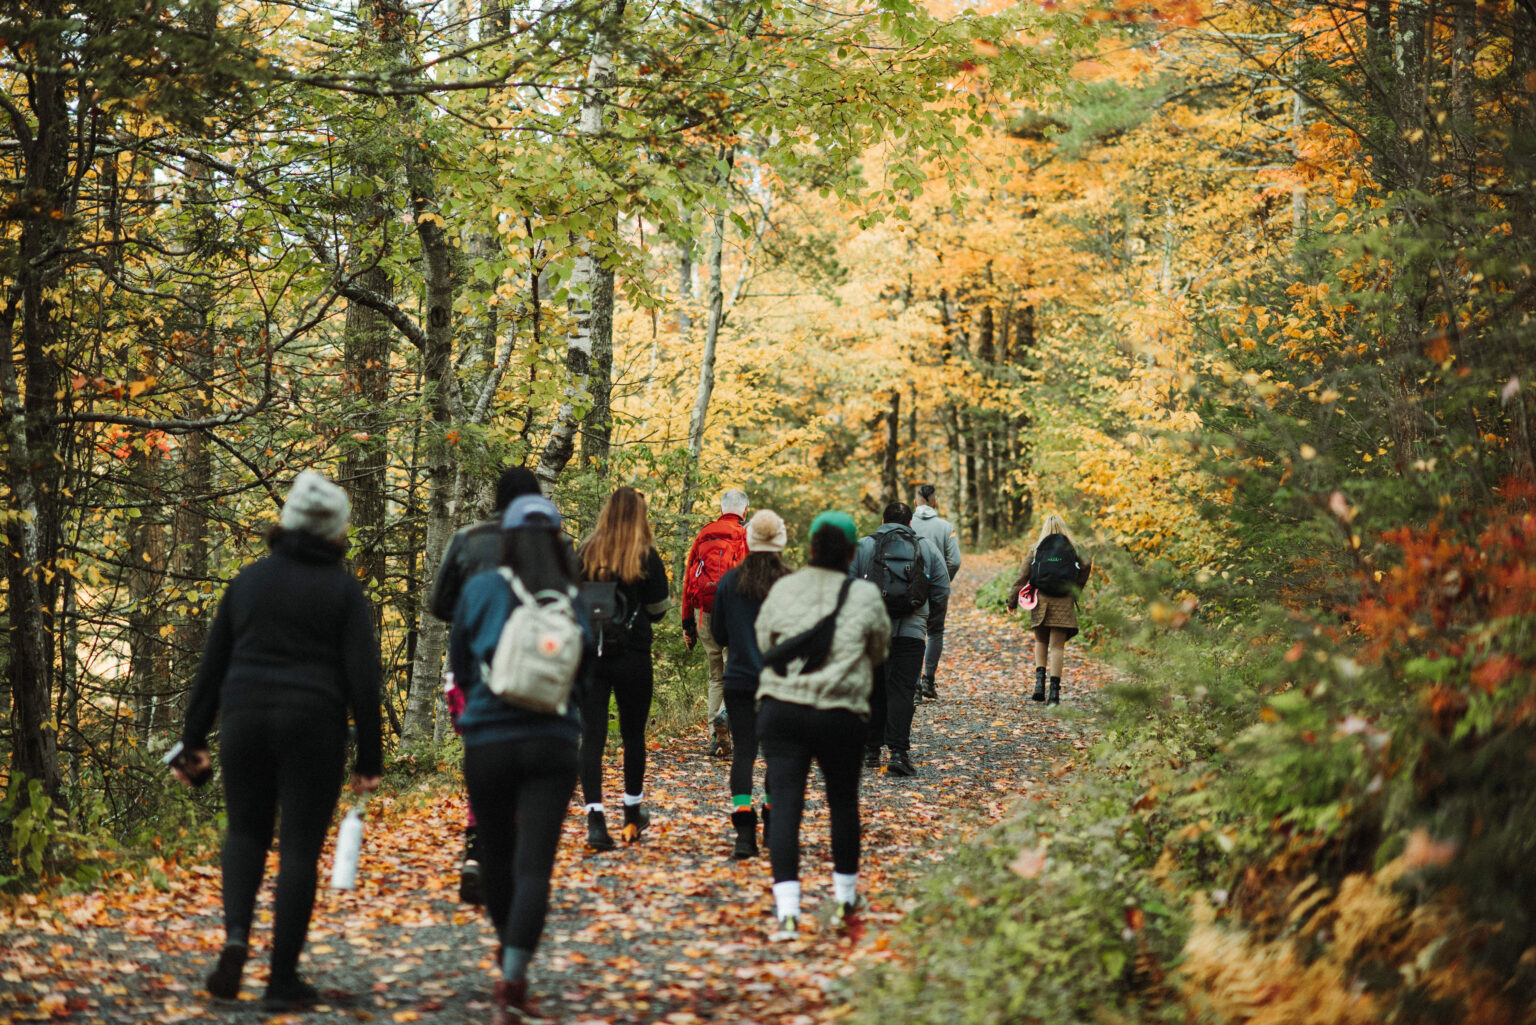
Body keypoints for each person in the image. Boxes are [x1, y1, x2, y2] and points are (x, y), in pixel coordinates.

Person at [174, 470, 383, 1012]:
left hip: (244, 718)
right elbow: (364, 677)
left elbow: (212, 665)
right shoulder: (343, 590)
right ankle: (282, 979)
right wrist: (370, 755)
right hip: (314, 726)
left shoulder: (248, 582)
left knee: (245, 831)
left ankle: (237, 938)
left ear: (287, 520)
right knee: (298, 847)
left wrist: (193, 737)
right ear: (335, 531)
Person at [449, 493, 594, 1025]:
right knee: (535, 864)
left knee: (496, 855)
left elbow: (460, 670)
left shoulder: (481, 588)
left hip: (487, 741)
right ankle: (513, 974)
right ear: (559, 540)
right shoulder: (574, 595)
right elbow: (583, 676)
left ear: (507, 538)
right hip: (553, 744)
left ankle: (508, 945)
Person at [754, 512, 890, 941]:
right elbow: (879, 649)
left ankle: (788, 914)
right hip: (840, 712)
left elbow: (764, 642)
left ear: (810, 548)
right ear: (852, 553)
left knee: (787, 806)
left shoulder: (783, 587)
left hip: (783, 711)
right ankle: (845, 901)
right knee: (843, 804)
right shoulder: (865, 595)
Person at [429, 465, 543, 907]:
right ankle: (516, 858)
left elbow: (441, 605)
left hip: (476, 671)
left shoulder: (468, 540)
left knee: (484, 760)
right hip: (537, 673)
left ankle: (477, 853)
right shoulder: (554, 545)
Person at [578, 486, 671, 849]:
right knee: (633, 736)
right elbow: (659, 609)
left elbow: (570, 600)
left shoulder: (585, 551)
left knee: (593, 738)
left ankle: (595, 822)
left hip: (591, 656)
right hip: (633, 656)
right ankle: (632, 815)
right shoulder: (645, 555)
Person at [709, 509, 792, 859]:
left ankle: (744, 834)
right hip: (780, 682)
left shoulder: (730, 582)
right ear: (780, 541)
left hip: (739, 678)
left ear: (749, 540)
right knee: (776, 754)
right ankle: (773, 824)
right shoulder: (789, 583)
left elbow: (718, 634)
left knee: (744, 753)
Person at [850, 502, 950, 777]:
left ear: (882, 519)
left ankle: (871, 751)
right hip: (911, 629)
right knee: (903, 690)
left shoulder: (863, 546)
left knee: (873, 687)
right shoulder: (925, 547)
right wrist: (931, 621)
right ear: (910, 523)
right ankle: (898, 753)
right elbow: (942, 588)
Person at [681, 488, 749, 758]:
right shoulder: (744, 535)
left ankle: (715, 737)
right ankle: (727, 718)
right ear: (744, 511)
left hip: (705, 614)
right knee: (736, 674)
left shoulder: (704, 535)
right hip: (734, 614)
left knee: (715, 677)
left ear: (721, 509)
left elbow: (688, 581)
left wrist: (687, 624)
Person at [1007, 514, 1093, 706]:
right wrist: (1075, 588)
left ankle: (1039, 686)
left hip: (1041, 599)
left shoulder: (1037, 548)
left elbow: (1022, 577)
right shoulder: (1073, 547)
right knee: (1057, 647)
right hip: (1063, 600)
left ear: (1045, 528)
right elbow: (1086, 564)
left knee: (1041, 641)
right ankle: (1054, 694)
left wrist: (1012, 601)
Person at [911, 484, 963, 701]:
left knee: (913, 632)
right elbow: (955, 560)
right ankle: (928, 681)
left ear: (915, 502)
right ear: (934, 502)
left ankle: (913, 687)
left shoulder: (906, 524)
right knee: (935, 632)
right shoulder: (945, 526)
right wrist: (944, 578)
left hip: (910, 587)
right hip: (937, 588)